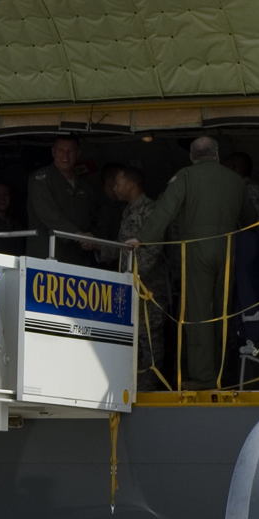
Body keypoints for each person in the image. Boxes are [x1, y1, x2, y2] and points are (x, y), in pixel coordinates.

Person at [133, 135, 252, 389]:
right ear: (217, 154)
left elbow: (165, 210)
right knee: (223, 311)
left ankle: (204, 377)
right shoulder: (236, 181)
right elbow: (251, 218)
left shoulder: (185, 176)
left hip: (197, 250)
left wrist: (142, 239)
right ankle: (224, 371)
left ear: (191, 157)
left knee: (199, 313)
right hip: (228, 250)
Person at [107, 166, 167, 390]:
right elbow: (123, 247)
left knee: (149, 334)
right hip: (130, 284)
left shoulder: (150, 210)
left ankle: (152, 379)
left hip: (147, 284)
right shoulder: (129, 210)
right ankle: (138, 378)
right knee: (135, 334)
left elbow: (153, 248)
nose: (115, 188)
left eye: (118, 183)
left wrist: (136, 276)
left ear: (131, 185)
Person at [26, 136, 102, 265]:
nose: (65, 156)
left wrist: (92, 237)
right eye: (61, 150)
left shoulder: (84, 184)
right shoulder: (41, 179)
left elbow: (93, 216)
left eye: (70, 151)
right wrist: (76, 234)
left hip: (76, 256)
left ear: (78, 154)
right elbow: (46, 212)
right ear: (53, 152)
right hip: (47, 254)